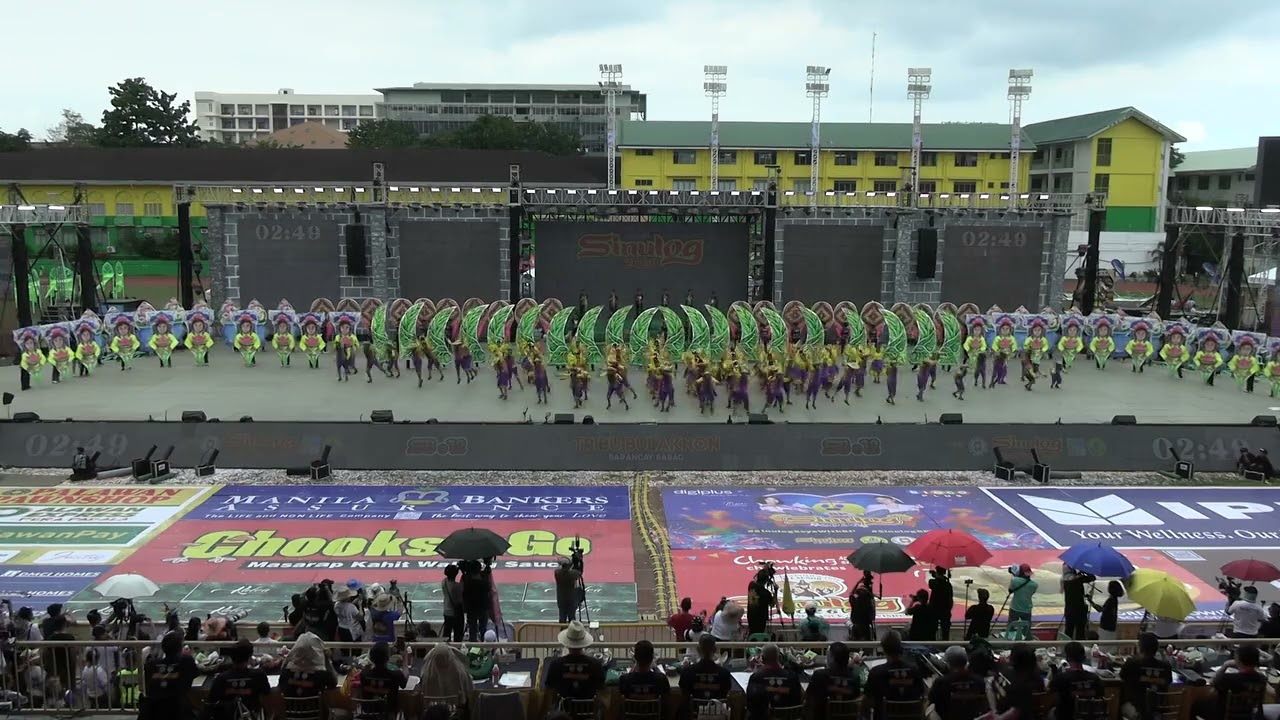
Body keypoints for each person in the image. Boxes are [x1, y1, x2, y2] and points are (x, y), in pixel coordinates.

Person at [1193, 645, 1268, 720]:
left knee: (1196, 706)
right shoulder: (1262, 679)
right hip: (1249, 716)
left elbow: (1212, 682)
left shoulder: (1226, 678)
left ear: (1238, 660)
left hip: (1223, 715)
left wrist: (1225, 666)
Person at [864, 631, 926, 718]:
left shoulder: (875, 673)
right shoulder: (914, 670)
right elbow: (922, 695)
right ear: (900, 647)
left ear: (883, 648)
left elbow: (868, 701)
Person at [544, 620, 606, 707]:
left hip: (564, 710)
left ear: (566, 644)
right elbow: (601, 690)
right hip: (589, 709)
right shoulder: (596, 665)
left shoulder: (556, 665)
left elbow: (549, 689)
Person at [139, 631, 198, 720]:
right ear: (180, 648)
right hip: (177, 709)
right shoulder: (186, 661)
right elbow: (195, 673)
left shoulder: (151, 664)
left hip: (153, 710)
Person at [207, 639, 271, 720]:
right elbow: (266, 691)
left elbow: (211, 699)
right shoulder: (259, 675)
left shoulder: (221, 678)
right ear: (249, 657)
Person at [1119, 632, 1173, 720]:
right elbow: (1168, 682)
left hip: (1136, 709)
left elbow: (1122, 676)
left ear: (1140, 648)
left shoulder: (1131, 663)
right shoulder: (1166, 666)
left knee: (1118, 702)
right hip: (1159, 711)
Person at [679, 635, 734, 717]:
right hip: (717, 715)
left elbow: (684, 694)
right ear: (715, 650)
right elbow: (725, 693)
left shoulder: (687, 672)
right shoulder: (724, 673)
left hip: (694, 714)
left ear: (698, 650)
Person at [745, 643, 804, 720]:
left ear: (762, 658)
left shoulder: (756, 677)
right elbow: (799, 697)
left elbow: (750, 703)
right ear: (779, 657)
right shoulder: (792, 677)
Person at [1049, 641, 1104, 720]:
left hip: (1067, 717)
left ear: (1067, 658)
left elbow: (1052, 697)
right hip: (1091, 717)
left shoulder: (1061, 679)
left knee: (1051, 712)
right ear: (1084, 657)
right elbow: (1101, 698)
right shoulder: (1095, 678)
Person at [929, 646, 986, 720]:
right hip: (973, 717)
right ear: (966, 661)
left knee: (930, 708)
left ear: (947, 663)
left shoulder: (941, 682)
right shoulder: (979, 680)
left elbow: (932, 700)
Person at [807, 642, 861, 720]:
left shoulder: (819, 675)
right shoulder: (855, 677)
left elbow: (808, 698)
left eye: (828, 655)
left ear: (832, 658)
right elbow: (857, 699)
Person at [988, 645, 1043, 720]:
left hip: (998, 710)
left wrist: (994, 711)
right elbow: (1016, 711)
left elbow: (989, 686)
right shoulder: (1022, 685)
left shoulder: (1002, 669)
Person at [279, 633, 338, 699]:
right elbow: (333, 683)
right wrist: (327, 659)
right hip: (315, 705)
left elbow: (281, 685)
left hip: (290, 705)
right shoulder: (321, 673)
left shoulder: (287, 671)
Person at [360, 641, 408, 720]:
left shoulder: (364, 674)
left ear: (371, 658)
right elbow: (404, 683)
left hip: (369, 713)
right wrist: (405, 659)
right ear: (387, 658)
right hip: (389, 715)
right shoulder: (395, 675)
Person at [419, 642, 472, 711]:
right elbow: (470, 692)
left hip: (432, 712)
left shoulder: (427, 675)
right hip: (455, 712)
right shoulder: (460, 674)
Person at [619, 640, 670, 704]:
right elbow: (667, 699)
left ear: (635, 657)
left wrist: (635, 663)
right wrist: (655, 667)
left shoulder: (624, 679)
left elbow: (629, 677)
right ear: (652, 658)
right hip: (654, 710)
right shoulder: (661, 679)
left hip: (632, 710)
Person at [1060, 564, 1097, 640]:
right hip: (1079, 610)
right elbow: (1092, 577)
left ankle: (1067, 646)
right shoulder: (1078, 579)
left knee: (1068, 632)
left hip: (1069, 610)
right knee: (1080, 633)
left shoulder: (1064, 580)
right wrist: (1083, 570)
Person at [462, 559, 493, 641]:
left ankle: (473, 646)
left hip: (471, 609)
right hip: (483, 608)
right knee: (483, 629)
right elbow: (489, 587)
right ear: (479, 569)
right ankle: (483, 644)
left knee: (472, 630)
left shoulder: (467, 582)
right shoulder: (484, 582)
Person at [746, 569, 776, 635]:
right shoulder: (766, 593)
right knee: (759, 635)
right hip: (760, 618)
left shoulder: (751, 585)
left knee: (752, 633)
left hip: (751, 615)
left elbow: (755, 580)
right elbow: (772, 604)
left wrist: (763, 572)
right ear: (766, 580)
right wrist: (775, 591)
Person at [440, 564, 464, 642]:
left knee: (447, 633)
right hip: (456, 613)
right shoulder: (457, 586)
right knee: (458, 634)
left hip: (446, 611)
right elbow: (460, 600)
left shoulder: (444, 582)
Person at [928, 567, 955, 640]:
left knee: (932, 631)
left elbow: (933, 584)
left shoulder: (933, 582)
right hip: (945, 610)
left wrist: (935, 575)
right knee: (945, 632)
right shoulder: (948, 585)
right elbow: (950, 598)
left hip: (934, 610)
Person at [555, 557, 583, 624]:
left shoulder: (557, 573)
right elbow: (579, 572)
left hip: (561, 599)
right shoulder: (573, 574)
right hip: (572, 599)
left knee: (562, 617)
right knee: (572, 617)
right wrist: (579, 562)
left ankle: (562, 629)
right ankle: (572, 629)